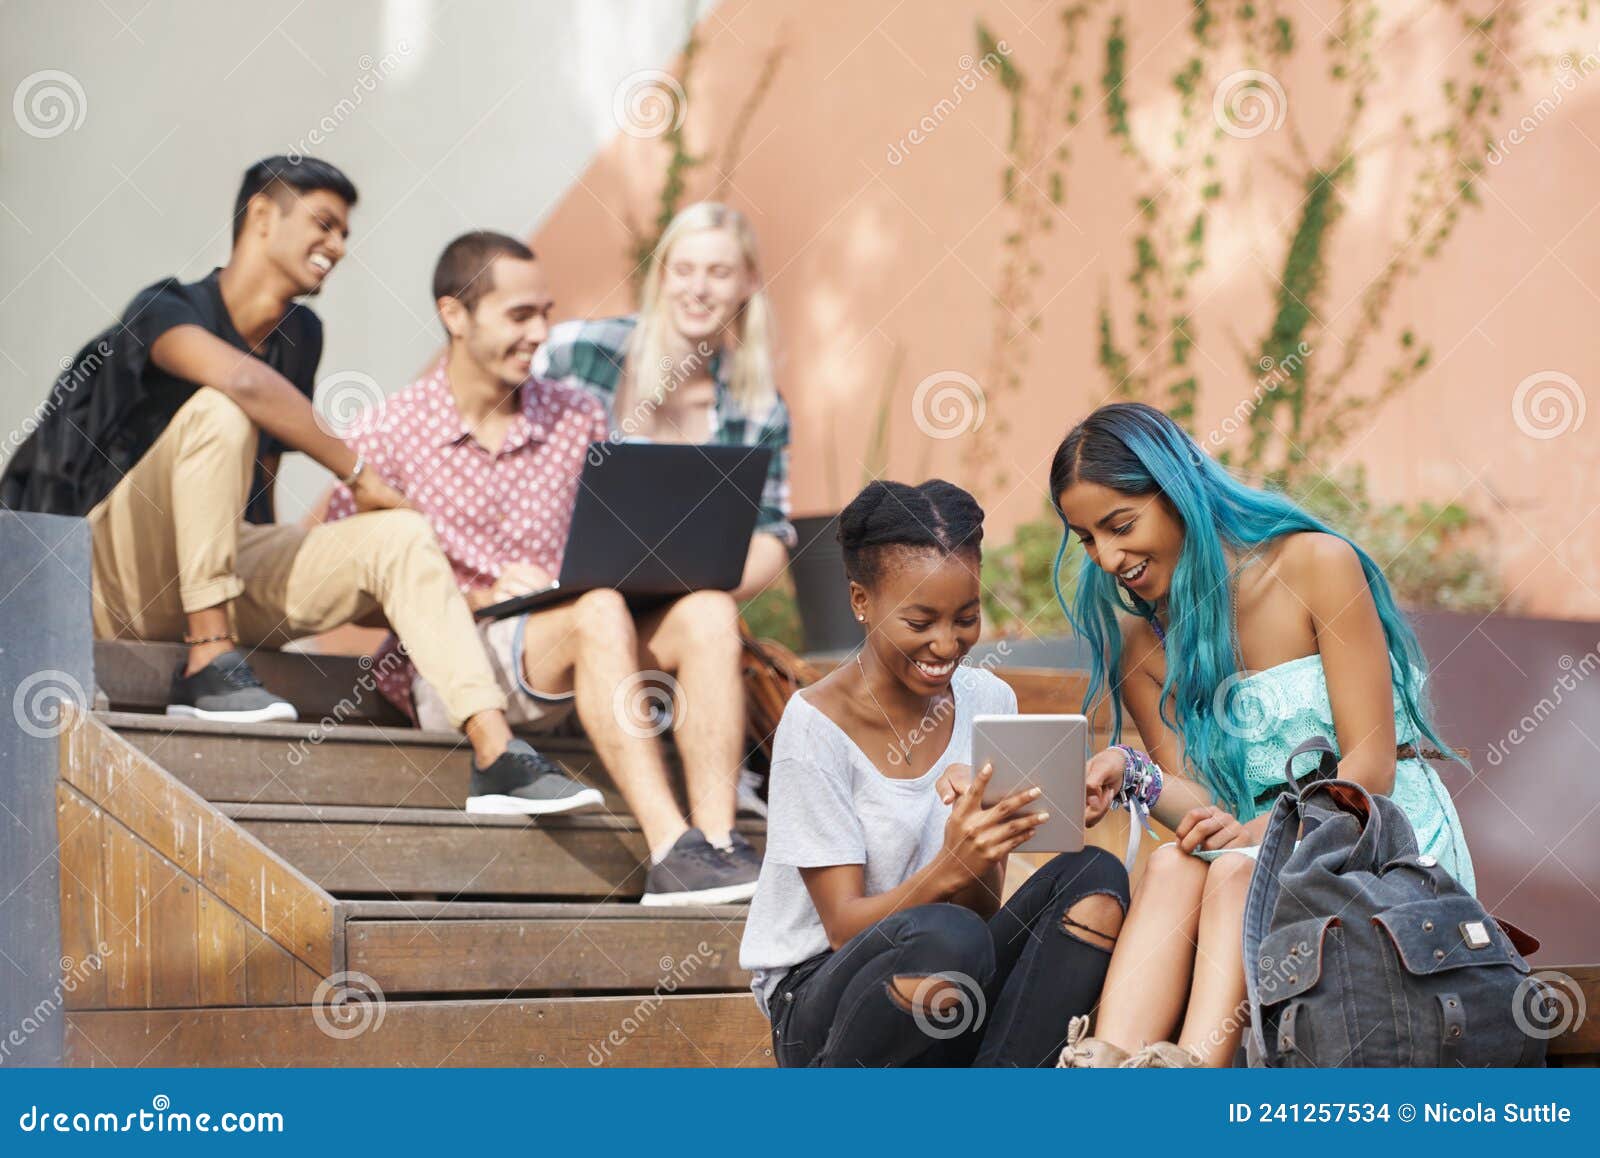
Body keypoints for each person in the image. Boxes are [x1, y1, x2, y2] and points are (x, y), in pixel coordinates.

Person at [0, 156, 596, 817]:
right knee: (223, 409)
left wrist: (311, 581)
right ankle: (209, 661)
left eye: (344, 232)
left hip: (205, 572)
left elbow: (257, 486)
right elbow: (246, 387)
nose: (338, 247)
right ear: (261, 217)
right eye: (323, 224)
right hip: (89, 578)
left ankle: (496, 753)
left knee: (396, 533)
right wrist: (360, 474)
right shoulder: (164, 310)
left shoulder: (297, 335)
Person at [323, 230, 760, 905]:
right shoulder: (386, 435)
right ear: (455, 315)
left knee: (709, 611)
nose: (540, 333)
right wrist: (474, 597)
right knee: (596, 612)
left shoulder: (577, 413)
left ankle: (717, 844)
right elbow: (344, 591)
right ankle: (672, 849)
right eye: (519, 315)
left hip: (582, 649)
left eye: (545, 313)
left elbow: (618, 532)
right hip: (459, 675)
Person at [1049, 401, 1475, 1068]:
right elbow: (1207, 814)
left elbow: (1373, 764)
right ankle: (1110, 1069)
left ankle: (1196, 1070)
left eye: (1120, 525)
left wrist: (1255, 837)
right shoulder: (1142, 639)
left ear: (1176, 490)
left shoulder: (1315, 565)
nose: (1106, 557)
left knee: (1233, 876)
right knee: (1170, 862)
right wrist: (1132, 772)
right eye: (1087, 539)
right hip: (1253, 853)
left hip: (1372, 839)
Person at [738, 479, 1131, 1067]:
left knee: (1093, 877)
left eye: (966, 618)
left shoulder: (987, 698)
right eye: (920, 621)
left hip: (947, 975)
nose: (946, 644)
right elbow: (843, 927)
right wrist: (950, 864)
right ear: (860, 600)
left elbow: (978, 907)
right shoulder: (814, 725)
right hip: (821, 1000)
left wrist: (983, 834)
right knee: (949, 937)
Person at [534, 201, 793, 601]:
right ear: (661, 276)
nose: (698, 289)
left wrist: (685, 595)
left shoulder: (757, 407)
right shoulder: (576, 353)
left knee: (709, 616)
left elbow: (769, 536)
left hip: (679, 605)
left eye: (719, 273)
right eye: (683, 270)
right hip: (565, 594)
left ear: (749, 282)